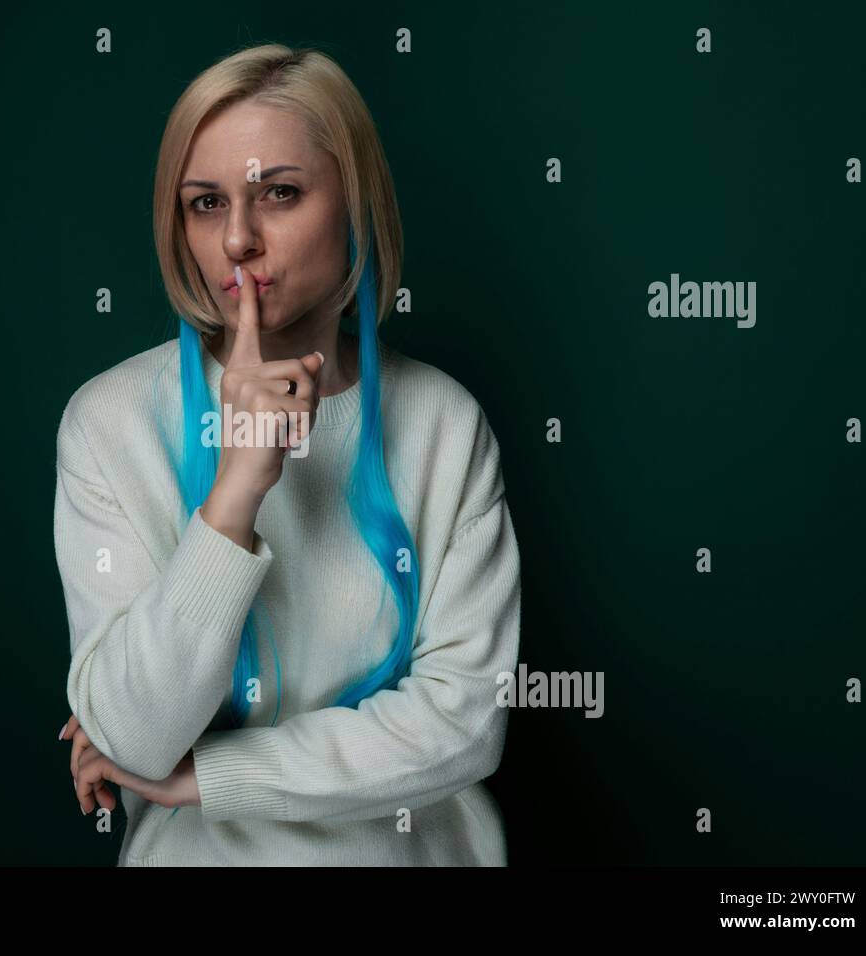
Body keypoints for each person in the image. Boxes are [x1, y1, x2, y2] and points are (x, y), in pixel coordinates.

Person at [53, 43, 521, 865]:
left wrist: (213, 774)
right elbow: (134, 733)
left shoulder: (443, 421)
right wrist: (235, 490)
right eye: (205, 203)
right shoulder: (110, 421)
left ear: (355, 204)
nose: (237, 239)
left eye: (279, 193)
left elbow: (465, 725)